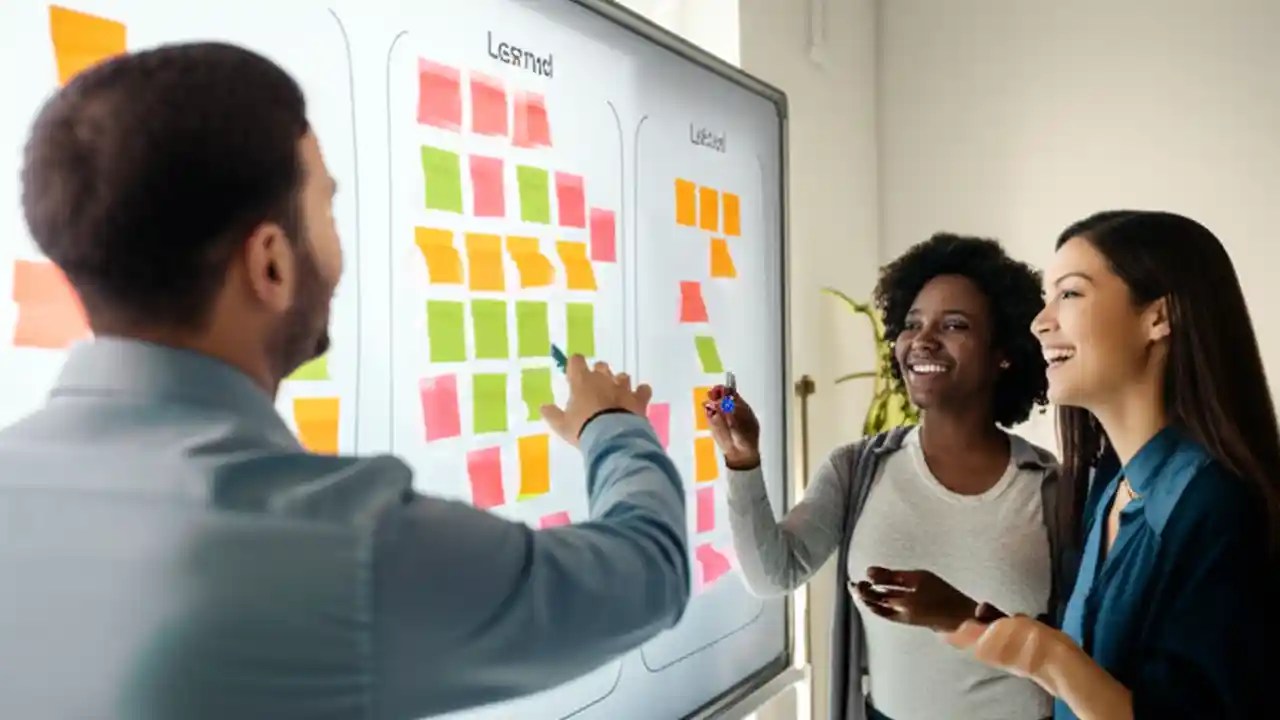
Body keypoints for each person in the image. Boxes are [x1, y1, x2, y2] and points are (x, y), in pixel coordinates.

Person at [0, 43, 690, 720]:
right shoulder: (345, 549)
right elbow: (649, 574)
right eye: (326, 208)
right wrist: (613, 427)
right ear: (270, 262)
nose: (336, 244)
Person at [708, 233, 1077, 720]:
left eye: (955, 325)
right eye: (912, 323)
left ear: (1003, 353)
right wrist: (742, 462)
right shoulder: (858, 469)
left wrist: (959, 615)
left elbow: (1079, 647)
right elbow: (774, 571)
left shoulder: (1051, 488)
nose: (922, 339)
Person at [939, 211, 1275, 718]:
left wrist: (1044, 655)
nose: (1040, 321)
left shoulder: (1218, 507)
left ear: (1160, 317)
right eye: (1046, 297)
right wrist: (961, 620)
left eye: (1070, 294)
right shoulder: (1110, 487)